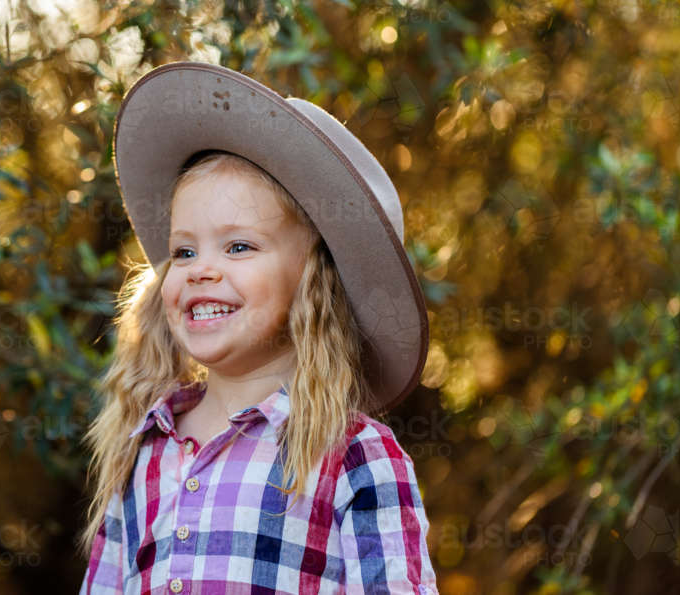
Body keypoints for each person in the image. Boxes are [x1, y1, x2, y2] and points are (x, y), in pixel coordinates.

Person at [77, 62, 438, 595]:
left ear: (312, 283)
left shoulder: (353, 456)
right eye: (183, 250)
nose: (200, 268)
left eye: (239, 246)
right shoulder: (143, 449)